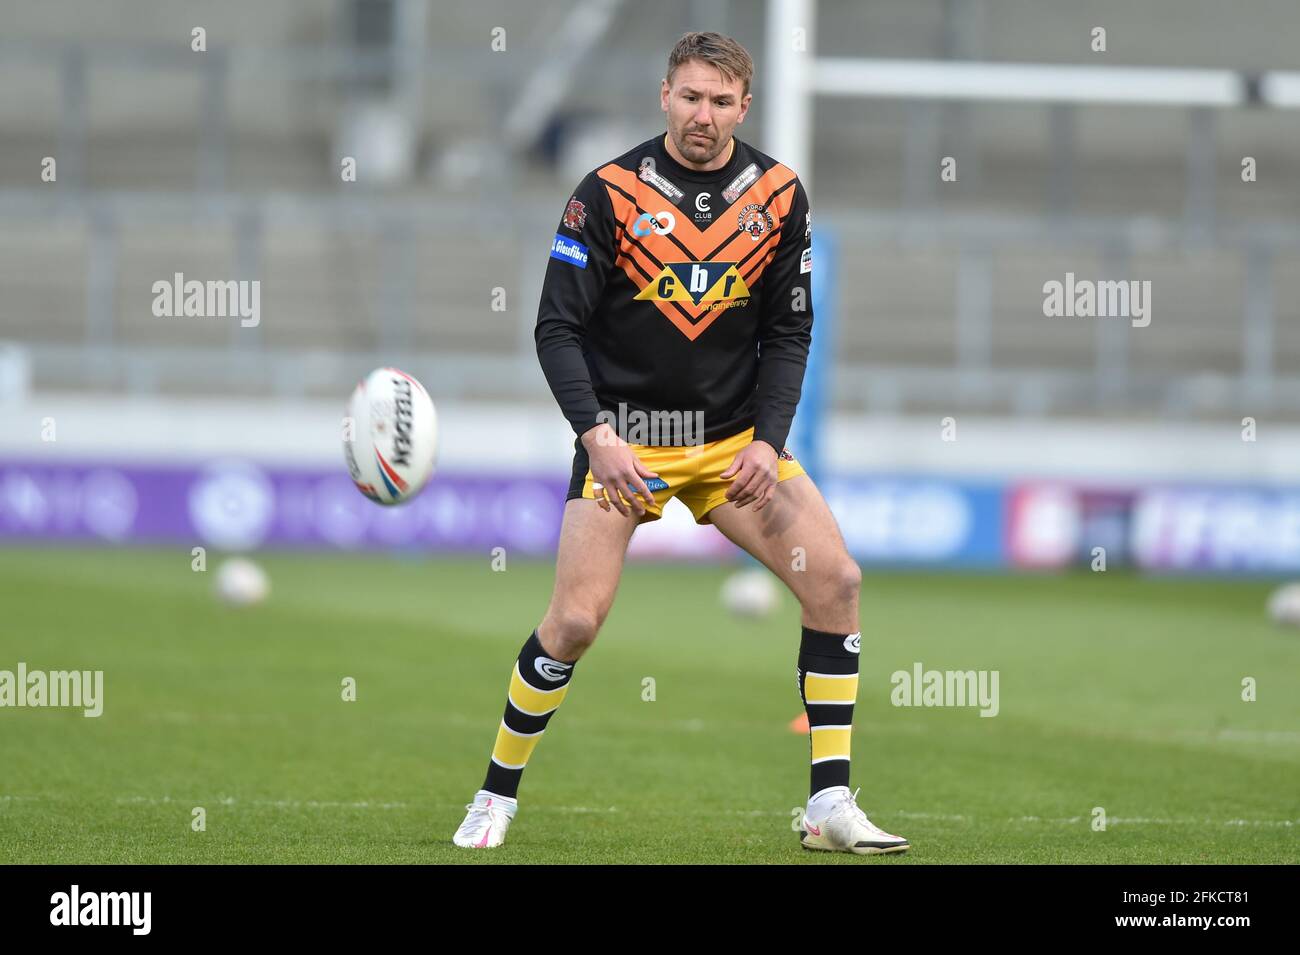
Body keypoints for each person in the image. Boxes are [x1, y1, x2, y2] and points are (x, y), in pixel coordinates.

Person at [453, 31, 909, 855]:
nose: (705, 114)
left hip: (732, 443)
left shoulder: (778, 194)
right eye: (691, 97)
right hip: (627, 439)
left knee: (836, 581)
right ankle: (495, 793)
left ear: (745, 105)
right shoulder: (607, 194)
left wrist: (769, 443)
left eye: (722, 100)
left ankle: (829, 804)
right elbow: (556, 327)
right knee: (576, 622)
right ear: (666, 96)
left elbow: (789, 331)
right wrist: (596, 435)